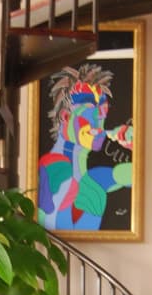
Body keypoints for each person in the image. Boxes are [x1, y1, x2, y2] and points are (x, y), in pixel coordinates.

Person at [36, 63, 133, 232]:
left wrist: (134, 147)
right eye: (90, 109)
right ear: (65, 117)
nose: (100, 118)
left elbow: (137, 177)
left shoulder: (94, 180)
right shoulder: (52, 167)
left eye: (102, 110)